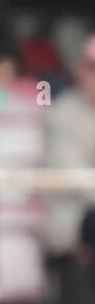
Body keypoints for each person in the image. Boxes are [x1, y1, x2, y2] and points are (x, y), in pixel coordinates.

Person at [43, 34, 95, 258]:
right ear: (80, 70)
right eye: (92, 67)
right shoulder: (62, 113)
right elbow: (76, 178)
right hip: (75, 216)